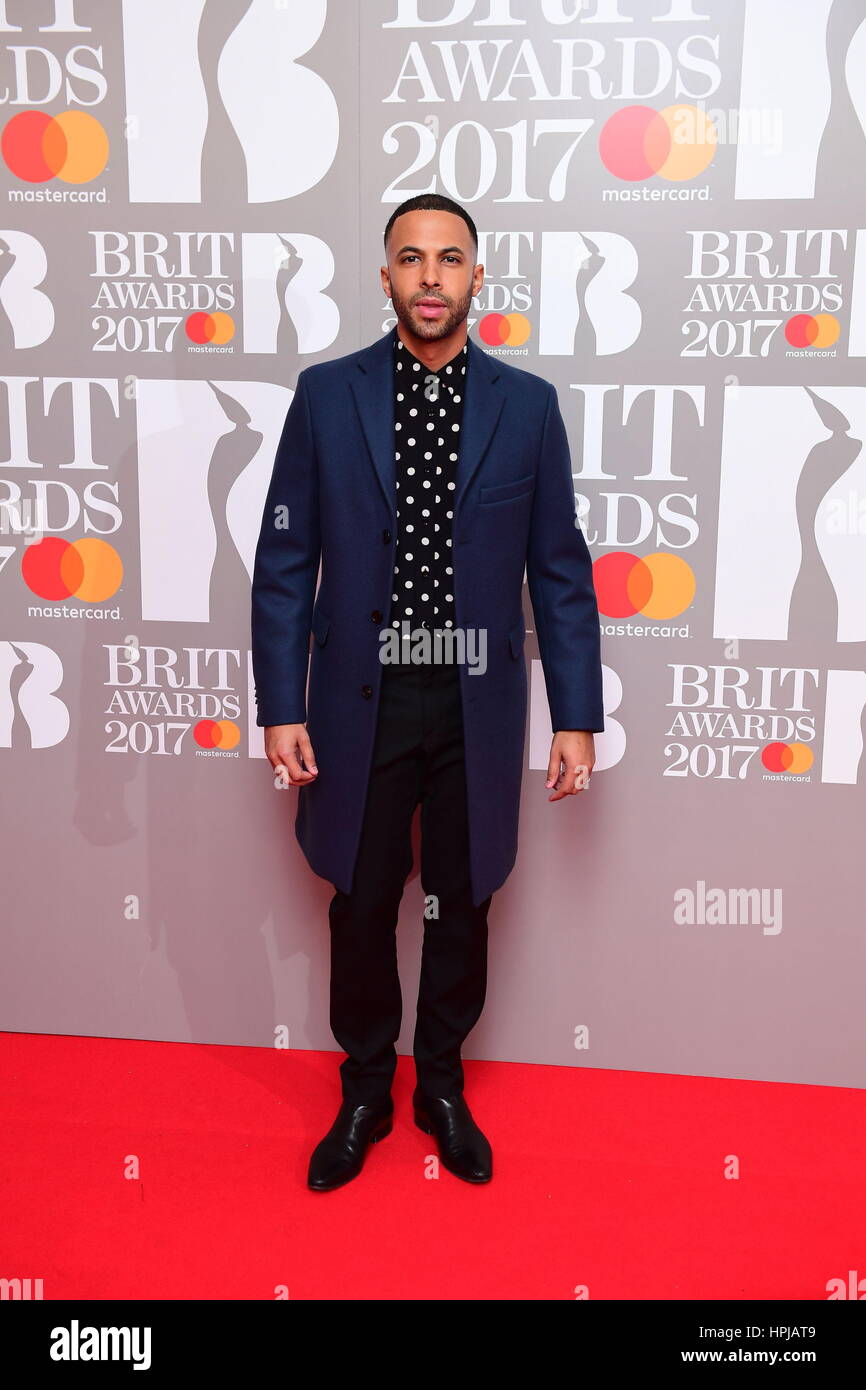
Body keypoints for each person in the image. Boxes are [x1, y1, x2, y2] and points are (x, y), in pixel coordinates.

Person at [251, 193, 604, 1191]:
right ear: (384, 276)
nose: (431, 277)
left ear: (476, 277)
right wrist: (282, 703)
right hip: (356, 705)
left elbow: (558, 569)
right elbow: (285, 560)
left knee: (461, 903)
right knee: (359, 905)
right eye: (411, 258)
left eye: (450, 259)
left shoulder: (526, 408)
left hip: (472, 706)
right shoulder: (327, 397)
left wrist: (574, 715)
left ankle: (438, 1086)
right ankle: (364, 1088)